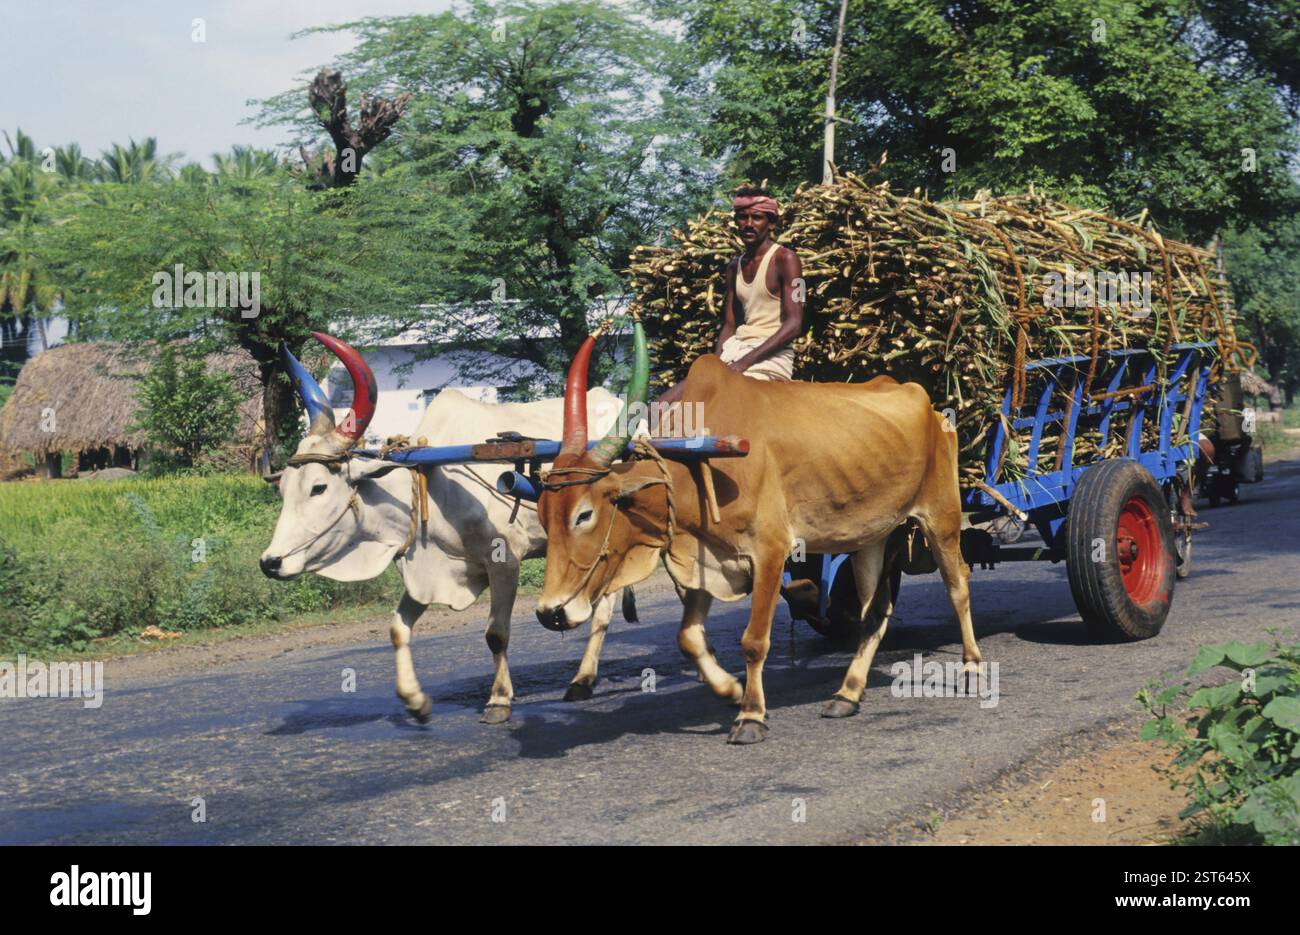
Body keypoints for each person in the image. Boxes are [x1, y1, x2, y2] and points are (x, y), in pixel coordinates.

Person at [658, 186, 803, 412]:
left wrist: (744, 363)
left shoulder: (785, 259)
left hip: (769, 357)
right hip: (735, 352)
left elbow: (794, 325)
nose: (748, 224)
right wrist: (716, 365)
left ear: (771, 223)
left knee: (721, 408)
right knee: (657, 408)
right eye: (742, 217)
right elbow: (730, 324)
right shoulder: (735, 266)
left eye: (757, 217)